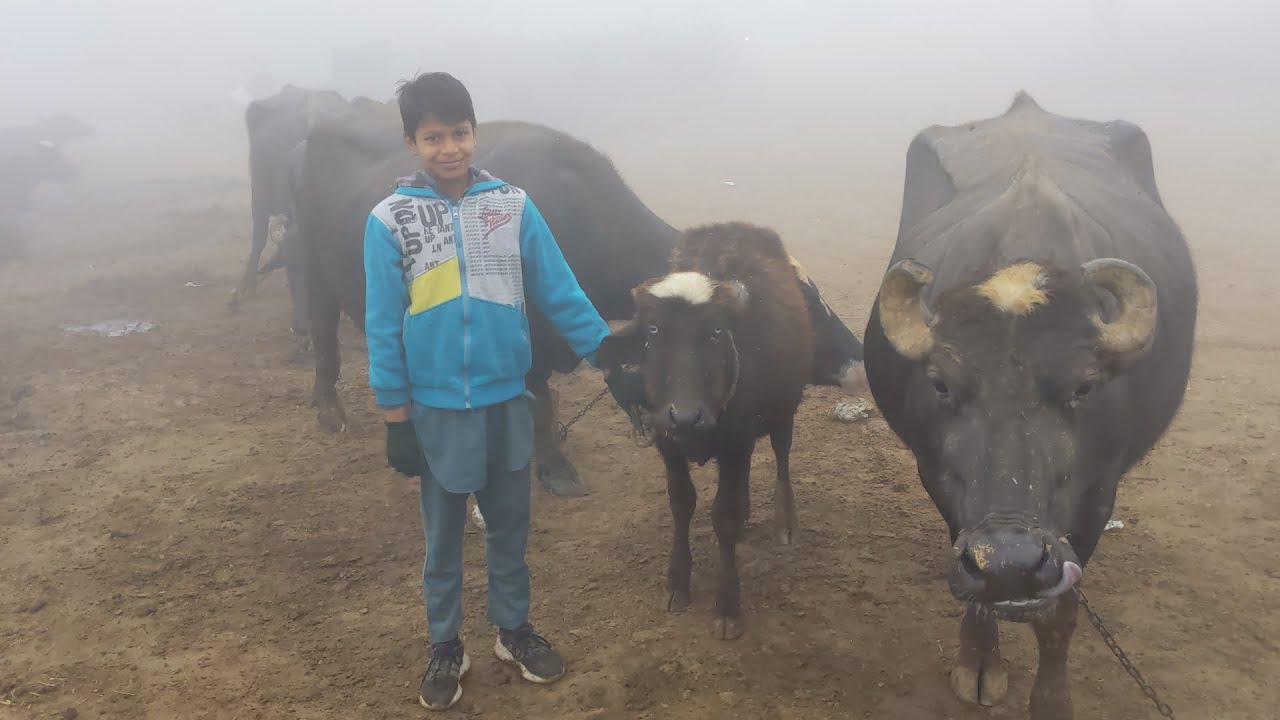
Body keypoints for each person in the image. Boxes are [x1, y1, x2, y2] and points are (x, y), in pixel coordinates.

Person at [363, 72, 629, 711]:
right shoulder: (389, 220)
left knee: (510, 528)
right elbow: (380, 322)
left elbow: (559, 290)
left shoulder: (512, 206)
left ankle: (514, 630)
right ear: (411, 142)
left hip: (508, 400)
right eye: (434, 137)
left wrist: (611, 360)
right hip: (434, 410)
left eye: (459, 133)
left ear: (474, 133)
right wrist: (396, 415)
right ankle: (445, 644)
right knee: (443, 539)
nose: (450, 147)